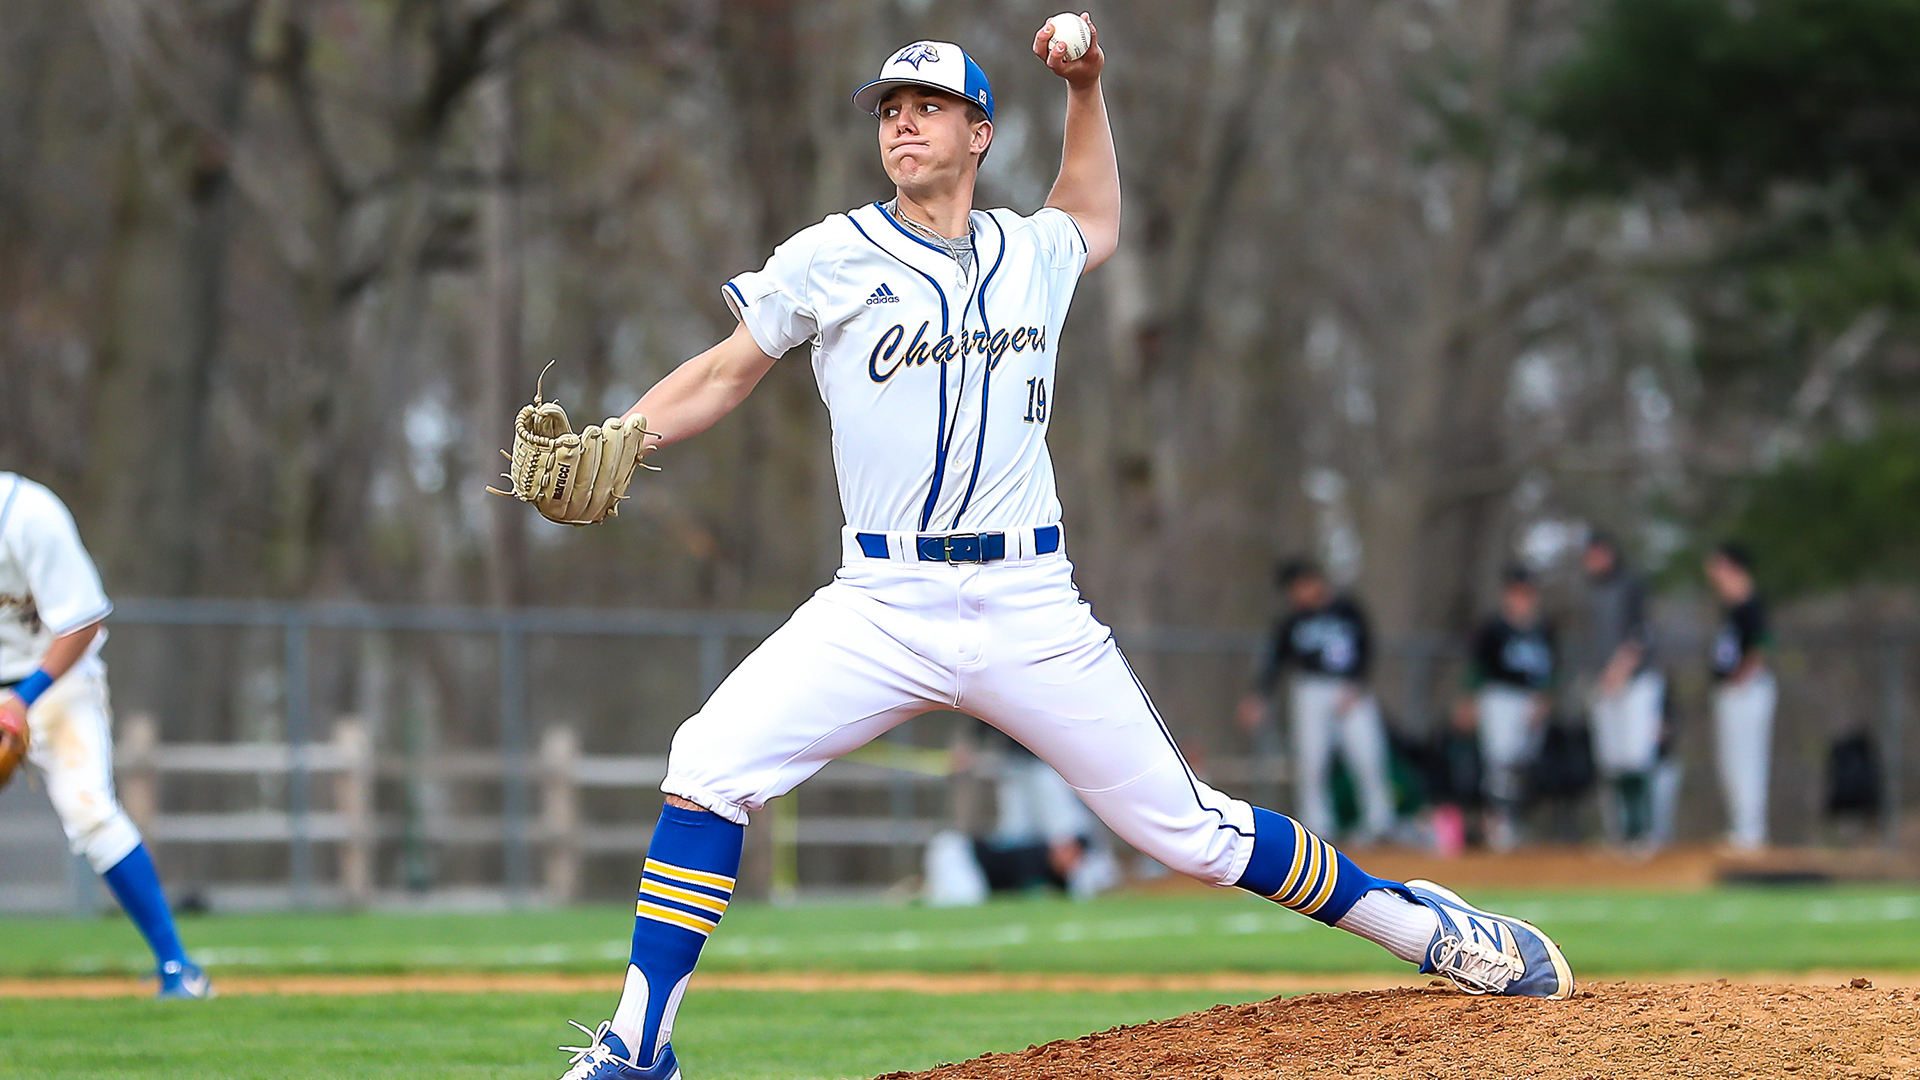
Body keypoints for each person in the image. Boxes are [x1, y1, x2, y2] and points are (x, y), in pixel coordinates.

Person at [549, 24, 1572, 1080]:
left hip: (1026, 598)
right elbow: (725, 372)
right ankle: (641, 1045)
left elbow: (1092, 212)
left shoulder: (1029, 253)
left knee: (1191, 837)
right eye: (890, 108)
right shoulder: (832, 253)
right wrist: (623, 434)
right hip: (882, 598)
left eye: (927, 106)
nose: (901, 121)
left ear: (980, 131)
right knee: (707, 767)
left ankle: (1424, 928)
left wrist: (1085, 87)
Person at [0, 472, 211, 998]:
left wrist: (21, 700)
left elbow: (83, 624)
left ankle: (176, 967)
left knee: (89, 811)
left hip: (53, 680)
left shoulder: (27, 514)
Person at [1236, 558, 1395, 843]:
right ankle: (1318, 828)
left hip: (1350, 689)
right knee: (1311, 760)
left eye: (1303, 585)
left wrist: (1357, 683)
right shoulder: (1292, 621)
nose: (1301, 594)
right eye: (1295, 589)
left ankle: (1379, 824)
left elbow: (1367, 647)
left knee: (1368, 755)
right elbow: (1274, 662)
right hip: (1310, 689)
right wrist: (1258, 696)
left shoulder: (1348, 608)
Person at [923, 725, 1121, 905]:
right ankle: (1031, 888)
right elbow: (983, 715)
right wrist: (968, 746)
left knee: (1066, 842)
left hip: (1050, 765)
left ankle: (1092, 883)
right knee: (1016, 839)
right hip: (1014, 763)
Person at [1580, 532, 1665, 849]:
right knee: (1611, 759)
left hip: (1635, 682)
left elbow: (1642, 633)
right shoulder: (1588, 592)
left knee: (1635, 755)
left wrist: (1621, 667)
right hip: (1603, 684)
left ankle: (1642, 831)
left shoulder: (1630, 585)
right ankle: (1620, 833)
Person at [1465, 565, 1556, 851]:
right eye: (1518, 593)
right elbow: (1478, 667)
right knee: (1499, 760)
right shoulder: (1494, 628)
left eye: (1528, 594)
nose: (1523, 599)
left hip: (1530, 699)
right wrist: (1470, 699)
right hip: (1499, 696)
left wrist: (1545, 697)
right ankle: (1497, 824)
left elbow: (1552, 669)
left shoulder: (1543, 629)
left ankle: (1513, 822)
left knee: (1521, 764)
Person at [1706, 541, 1773, 851]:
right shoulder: (1729, 607)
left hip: (1747, 691)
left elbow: (1761, 646)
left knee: (1749, 761)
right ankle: (1740, 829)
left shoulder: (1751, 603)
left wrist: (1741, 677)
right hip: (1730, 691)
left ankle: (1751, 832)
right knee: (1731, 763)